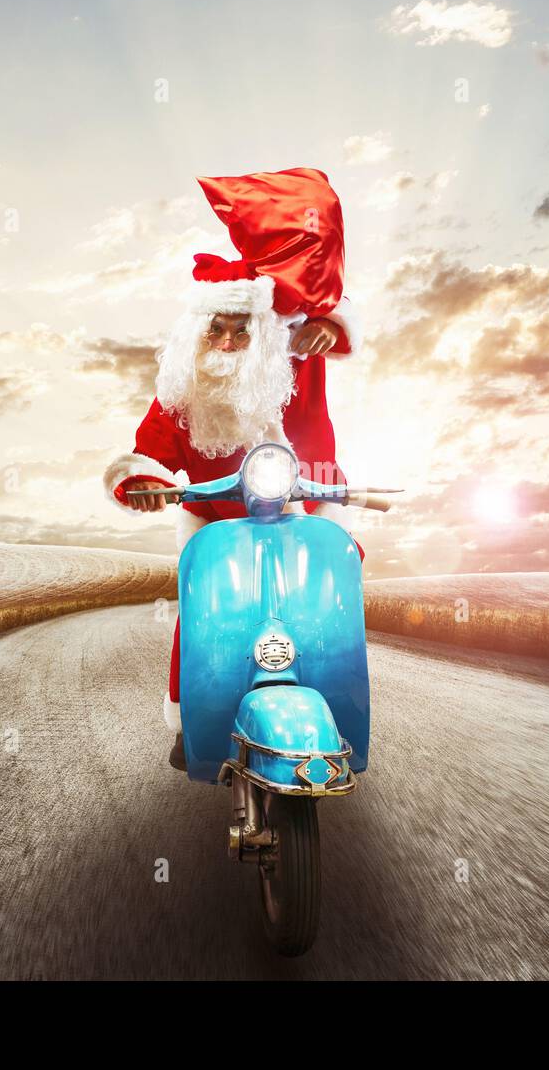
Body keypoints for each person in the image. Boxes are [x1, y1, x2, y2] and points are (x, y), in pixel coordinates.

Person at [104, 168, 360, 767]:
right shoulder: (181, 392)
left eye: (240, 331)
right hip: (214, 516)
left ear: (263, 335)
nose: (224, 343)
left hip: (304, 502)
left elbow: (318, 313)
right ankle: (189, 716)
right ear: (197, 333)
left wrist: (325, 326)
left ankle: (338, 707)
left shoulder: (287, 364)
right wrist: (142, 480)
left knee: (331, 596)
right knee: (202, 609)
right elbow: (150, 448)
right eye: (213, 329)